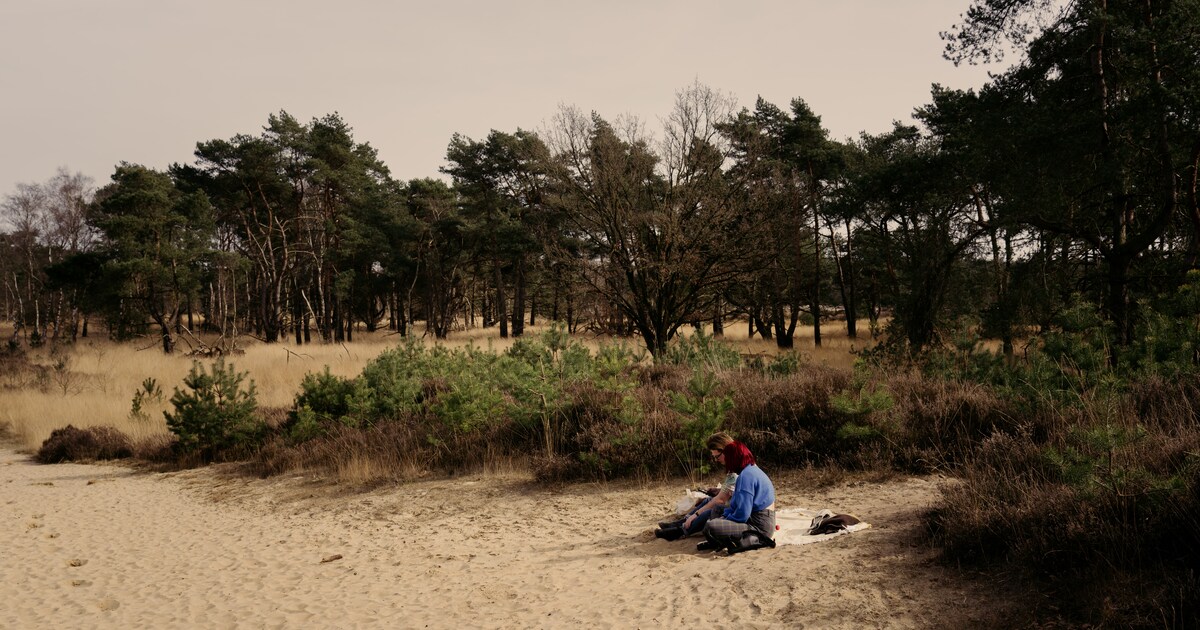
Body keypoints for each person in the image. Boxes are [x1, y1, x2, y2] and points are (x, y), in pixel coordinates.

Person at [655, 433, 739, 541]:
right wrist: (718, 490)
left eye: (717, 457)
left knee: (711, 508)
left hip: (737, 510)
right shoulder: (735, 465)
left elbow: (721, 500)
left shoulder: (734, 471)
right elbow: (730, 491)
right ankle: (681, 523)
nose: (716, 460)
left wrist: (696, 514)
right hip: (737, 505)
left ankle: (682, 529)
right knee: (708, 500)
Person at [699, 440, 776, 553]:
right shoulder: (749, 470)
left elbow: (742, 514)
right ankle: (717, 541)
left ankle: (720, 541)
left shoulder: (746, 476)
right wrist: (724, 516)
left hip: (759, 527)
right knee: (717, 509)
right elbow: (736, 505)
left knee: (710, 527)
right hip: (756, 517)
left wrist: (725, 519)